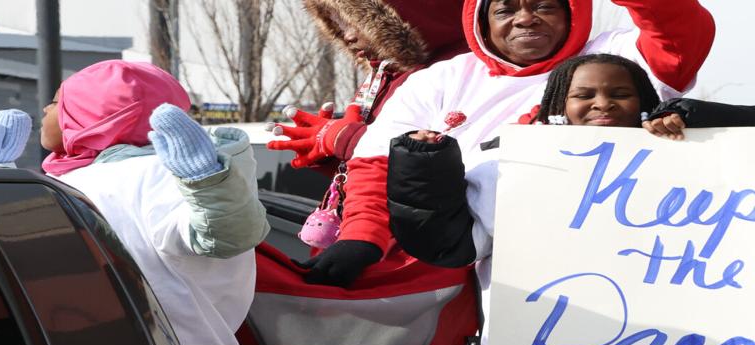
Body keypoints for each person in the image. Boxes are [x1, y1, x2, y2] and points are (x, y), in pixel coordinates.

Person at [386, 54, 755, 345]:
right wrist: (422, 168)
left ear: (647, 102)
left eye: (620, 92)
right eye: (584, 94)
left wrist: (710, 123)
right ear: (559, 103)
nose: (602, 103)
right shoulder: (509, 164)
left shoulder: (702, 162)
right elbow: (449, 245)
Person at [272, 0, 716, 287]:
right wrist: (362, 238)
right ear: (481, 20)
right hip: (508, 289)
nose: (526, 18)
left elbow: (681, 33)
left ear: (573, 13)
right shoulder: (442, 79)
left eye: (544, 6)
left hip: (629, 264)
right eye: (506, 9)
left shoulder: (614, 57)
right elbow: (378, 162)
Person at [36, 61, 270, 345]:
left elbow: (229, 234)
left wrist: (207, 183)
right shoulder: (91, 176)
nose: (46, 110)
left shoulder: (156, 174)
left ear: (94, 115)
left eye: (57, 101)